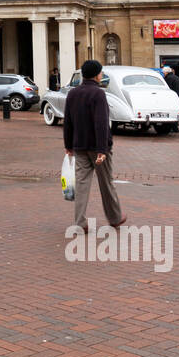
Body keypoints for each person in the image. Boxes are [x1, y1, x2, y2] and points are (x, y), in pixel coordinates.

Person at [63, 59, 127, 232]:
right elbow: (101, 123)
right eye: (101, 72)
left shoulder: (72, 93)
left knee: (82, 185)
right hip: (97, 147)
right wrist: (102, 149)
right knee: (106, 182)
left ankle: (80, 221)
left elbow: (67, 122)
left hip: (79, 146)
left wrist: (68, 145)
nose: (102, 75)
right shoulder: (98, 94)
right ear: (97, 74)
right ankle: (114, 217)